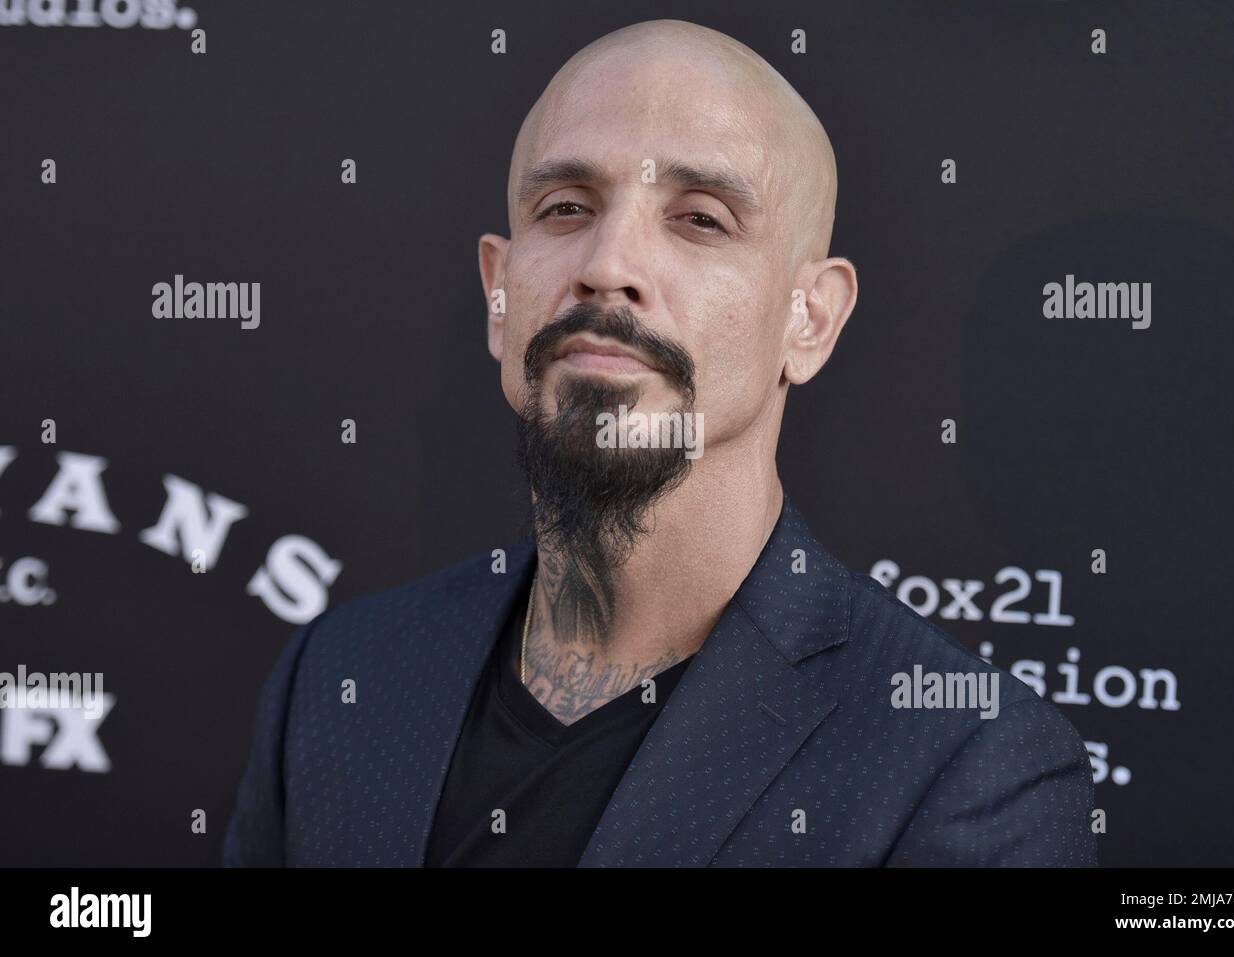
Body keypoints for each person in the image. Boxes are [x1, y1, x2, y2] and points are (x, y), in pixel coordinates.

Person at [223, 19, 1097, 867]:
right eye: (566, 207)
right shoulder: (337, 676)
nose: (609, 264)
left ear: (811, 320)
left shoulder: (961, 763)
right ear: (499, 291)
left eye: (700, 219)